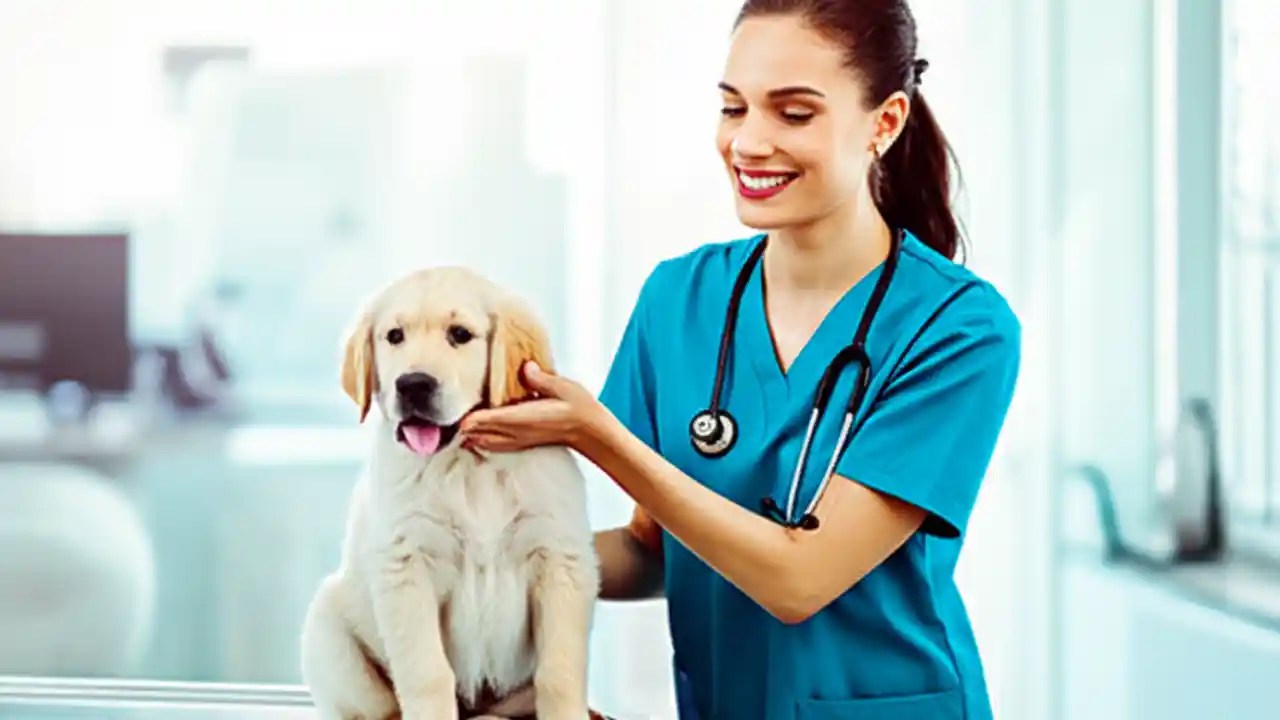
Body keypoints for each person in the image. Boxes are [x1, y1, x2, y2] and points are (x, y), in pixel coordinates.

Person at [459, 0, 1021, 718]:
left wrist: (592, 434)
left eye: (793, 114)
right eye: (733, 108)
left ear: (885, 122)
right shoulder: (680, 299)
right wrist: (484, 573)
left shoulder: (958, 328)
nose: (749, 142)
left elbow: (798, 578)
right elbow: (658, 550)